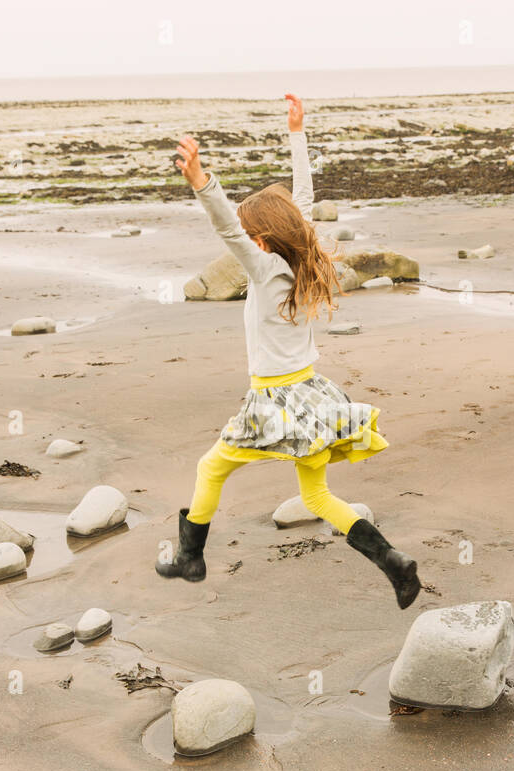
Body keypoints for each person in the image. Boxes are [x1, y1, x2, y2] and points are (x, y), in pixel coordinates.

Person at [156, 94, 421, 609]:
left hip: (275, 400)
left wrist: (201, 183)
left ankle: (191, 558)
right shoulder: (302, 252)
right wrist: (296, 133)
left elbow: (226, 227)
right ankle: (392, 561)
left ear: (263, 239)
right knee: (315, 496)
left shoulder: (264, 267)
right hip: (312, 393)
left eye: (253, 236)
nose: (248, 241)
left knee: (211, 469)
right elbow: (301, 196)